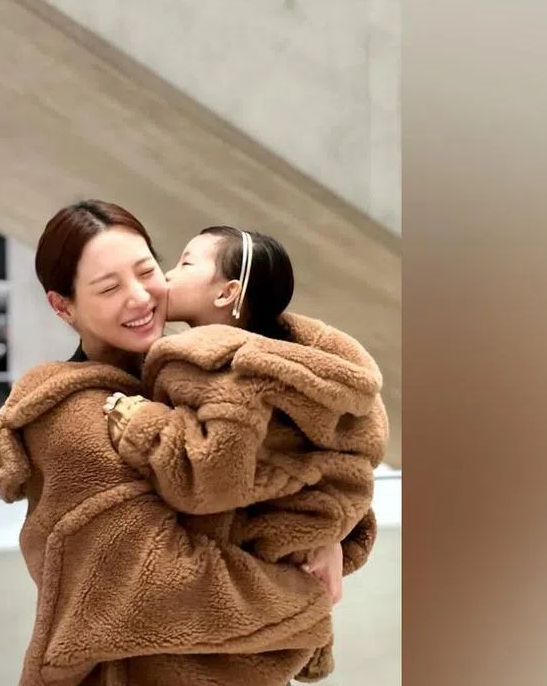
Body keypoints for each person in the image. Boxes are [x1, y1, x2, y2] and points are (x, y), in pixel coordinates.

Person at [0, 201, 334, 686]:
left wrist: (323, 535)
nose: (139, 297)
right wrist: (307, 596)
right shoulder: (71, 418)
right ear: (63, 306)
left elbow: (295, 471)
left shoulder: (192, 382)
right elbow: (159, 582)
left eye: (147, 271)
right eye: (109, 288)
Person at [102, 226, 389, 680]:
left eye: (186, 263)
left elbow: (210, 480)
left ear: (227, 293)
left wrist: (136, 420)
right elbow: (347, 456)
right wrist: (328, 529)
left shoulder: (233, 374)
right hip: (270, 599)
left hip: (232, 619)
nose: (167, 275)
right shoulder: (292, 365)